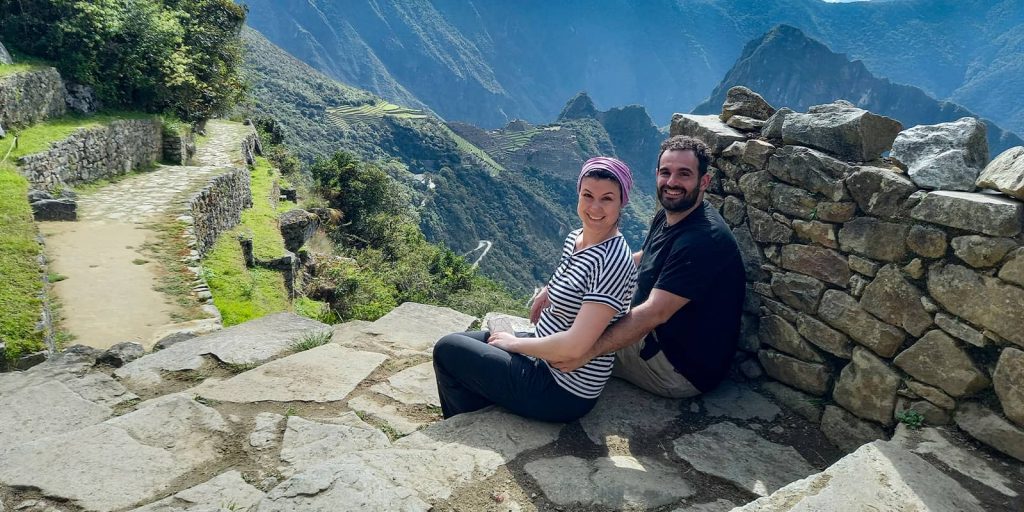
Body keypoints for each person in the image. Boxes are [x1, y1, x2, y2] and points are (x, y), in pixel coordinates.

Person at [432, 157, 638, 422]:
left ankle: (465, 420)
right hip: (543, 355)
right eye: (588, 195)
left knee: (448, 349)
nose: (595, 207)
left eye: (607, 199)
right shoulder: (576, 238)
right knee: (463, 341)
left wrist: (517, 344)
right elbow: (575, 278)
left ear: (622, 202)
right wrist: (549, 289)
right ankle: (479, 410)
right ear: (578, 194)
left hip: (562, 389)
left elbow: (575, 348)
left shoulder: (613, 262)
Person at [546, 135, 745, 398]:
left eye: (684, 174)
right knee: (572, 312)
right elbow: (643, 256)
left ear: (704, 181)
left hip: (676, 368)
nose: (672, 182)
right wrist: (557, 286)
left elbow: (654, 313)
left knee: (563, 346)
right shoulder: (671, 213)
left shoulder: (703, 241)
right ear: (657, 175)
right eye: (666, 172)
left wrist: (589, 351)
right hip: (659, 341)